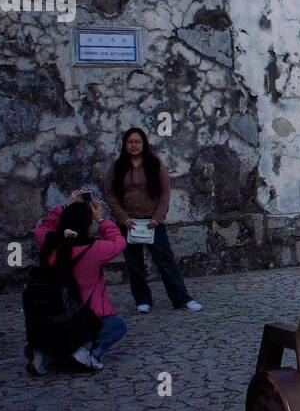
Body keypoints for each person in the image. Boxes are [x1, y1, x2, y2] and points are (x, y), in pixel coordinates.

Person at [103, 127, 202, 313]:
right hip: (128, 223)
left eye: (137, 141)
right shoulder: (118, 166)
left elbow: (165, 192)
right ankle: (143, 300)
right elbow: (109, 194)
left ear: (144, 143)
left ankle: (181, 298)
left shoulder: (155, 163)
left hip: (152, 222)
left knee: (165, 261)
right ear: (125, 144)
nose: (134, 145)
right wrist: (122, 217)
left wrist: (158, 217)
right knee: (134, 264)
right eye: (130, 142)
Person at [29, 191, 128, 375]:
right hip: (81, 315)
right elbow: (119, 242)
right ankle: (87, 353)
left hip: (52, 314)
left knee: (58, 329)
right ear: (87, 225)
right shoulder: (94, 249)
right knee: (117, 325)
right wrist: (101, 219)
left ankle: (45, 354)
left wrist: (65, 207)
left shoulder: (49, 243)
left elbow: (42, 229)